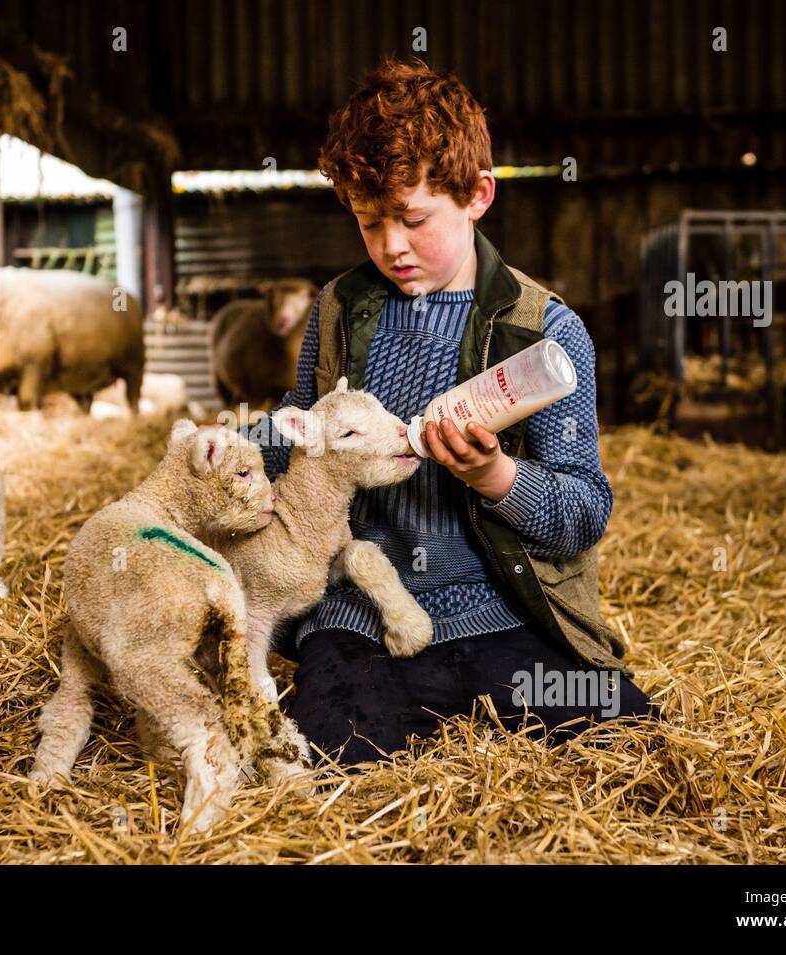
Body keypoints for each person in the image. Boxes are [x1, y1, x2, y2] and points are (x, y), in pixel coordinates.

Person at [251, 58, 660, 766]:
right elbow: (297, 425)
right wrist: (228, 454)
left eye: (412, 218)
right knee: (335, 764)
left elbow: (583, 512)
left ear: (477, 195)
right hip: (365, 615)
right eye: (368, 222)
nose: (391, 245)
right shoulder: (339, 311)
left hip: (505, 612)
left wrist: (496, 474)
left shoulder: (545, 331)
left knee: (633, 748)